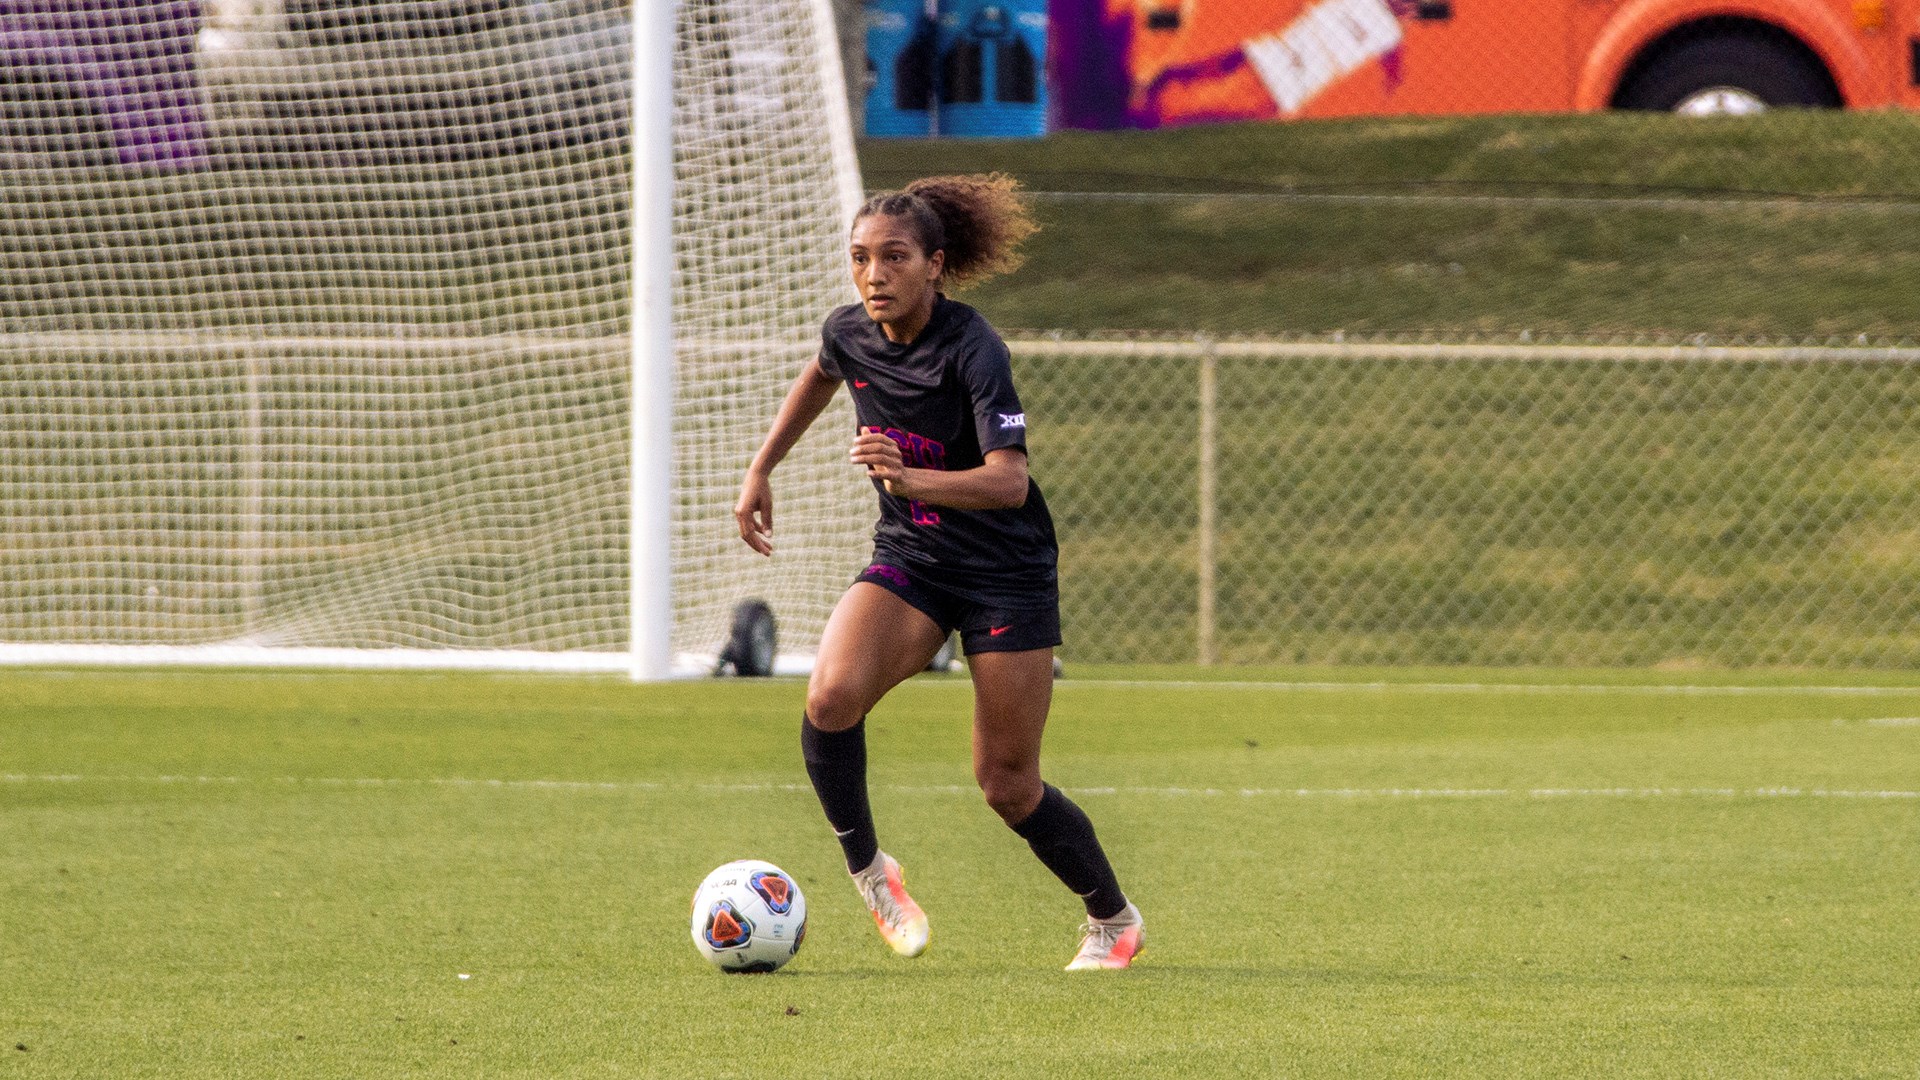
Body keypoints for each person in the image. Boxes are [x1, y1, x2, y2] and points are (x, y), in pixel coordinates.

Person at [733, 173, 1144, 971]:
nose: (874, 275)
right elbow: (822, 372)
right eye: (860, 259)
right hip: (914, 559)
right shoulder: (850, 332)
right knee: (829, 697)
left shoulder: (973, 348)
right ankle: (871, 874)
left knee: (1006, 784)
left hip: (1005, 573)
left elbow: (1009, 481)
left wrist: (907, 479)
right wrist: (761, 467)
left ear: (935, 266)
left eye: (894, 257)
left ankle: (1113, 918)